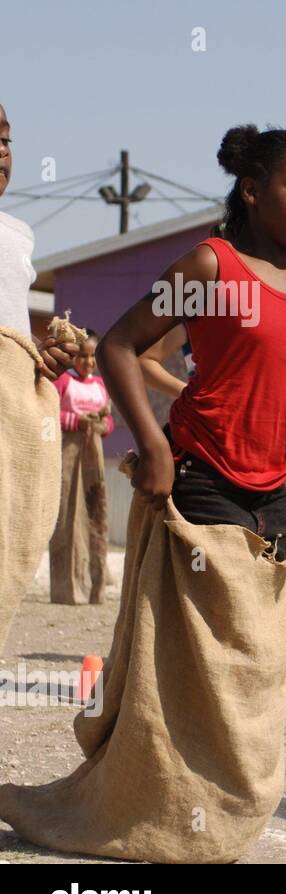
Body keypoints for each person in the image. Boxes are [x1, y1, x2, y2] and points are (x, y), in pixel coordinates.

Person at [0, 124, 286, 862]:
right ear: (253, 190)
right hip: (205, 482)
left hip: (274, 496)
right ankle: (153, 811)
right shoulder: (211, 267)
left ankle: (221, 809)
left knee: (256, 669)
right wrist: (150, 444)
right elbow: (120, 344)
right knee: (188, 674)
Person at [0, 101, 79, 650]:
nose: (0, 153)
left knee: (12, 534)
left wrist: (44, 357)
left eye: (5, 140)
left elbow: (13, 329)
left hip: (10, 410)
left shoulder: (17, 234)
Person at [49, 331, 115, 604]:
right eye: (82, 356)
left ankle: (94, 587)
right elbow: (50, 413)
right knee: (66, 516)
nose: (87, 361)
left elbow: (110, 423)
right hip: (68, 455)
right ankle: (67, 588)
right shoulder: (63, 381)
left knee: (95, 515)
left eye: (91, 356)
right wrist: (79, 422)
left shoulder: (101, 385)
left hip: (93, 460)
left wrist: (100, 426)